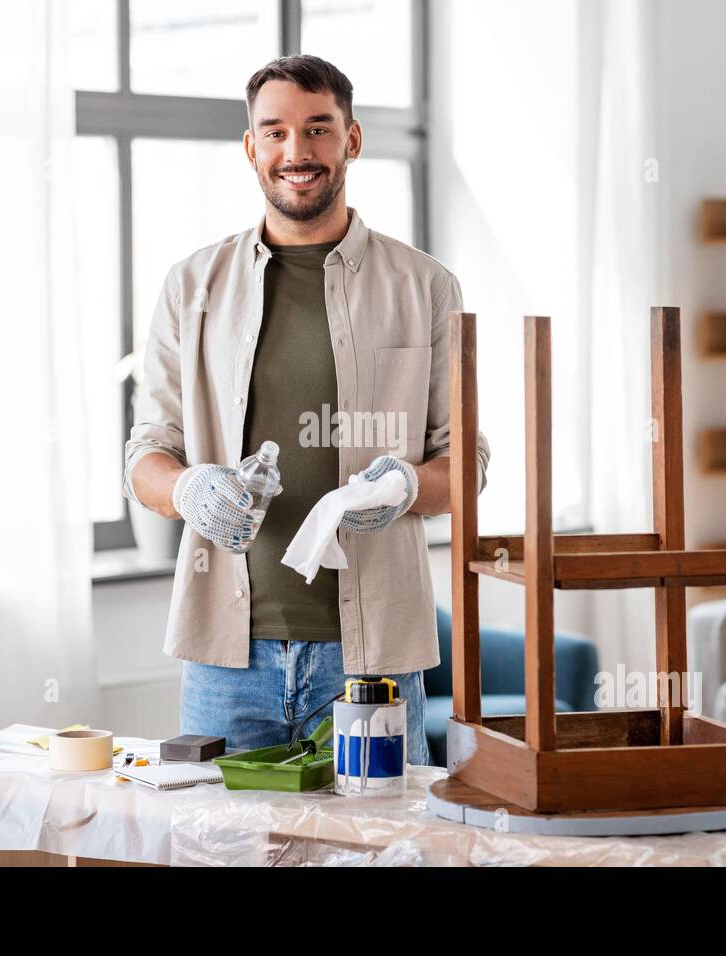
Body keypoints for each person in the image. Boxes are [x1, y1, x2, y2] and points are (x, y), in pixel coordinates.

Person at [123, 54, 489, 767]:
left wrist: (408, 486)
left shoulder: (426, 287)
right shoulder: (191, 288)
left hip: (371, 660)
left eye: (319, 130)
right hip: (225, 664)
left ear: (352, 140)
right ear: (251, 146)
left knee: (378, 851)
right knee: (222, 851)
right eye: (277, 132)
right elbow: (145, 457)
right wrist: (190, 487)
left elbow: (465, 464)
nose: (298, 152)